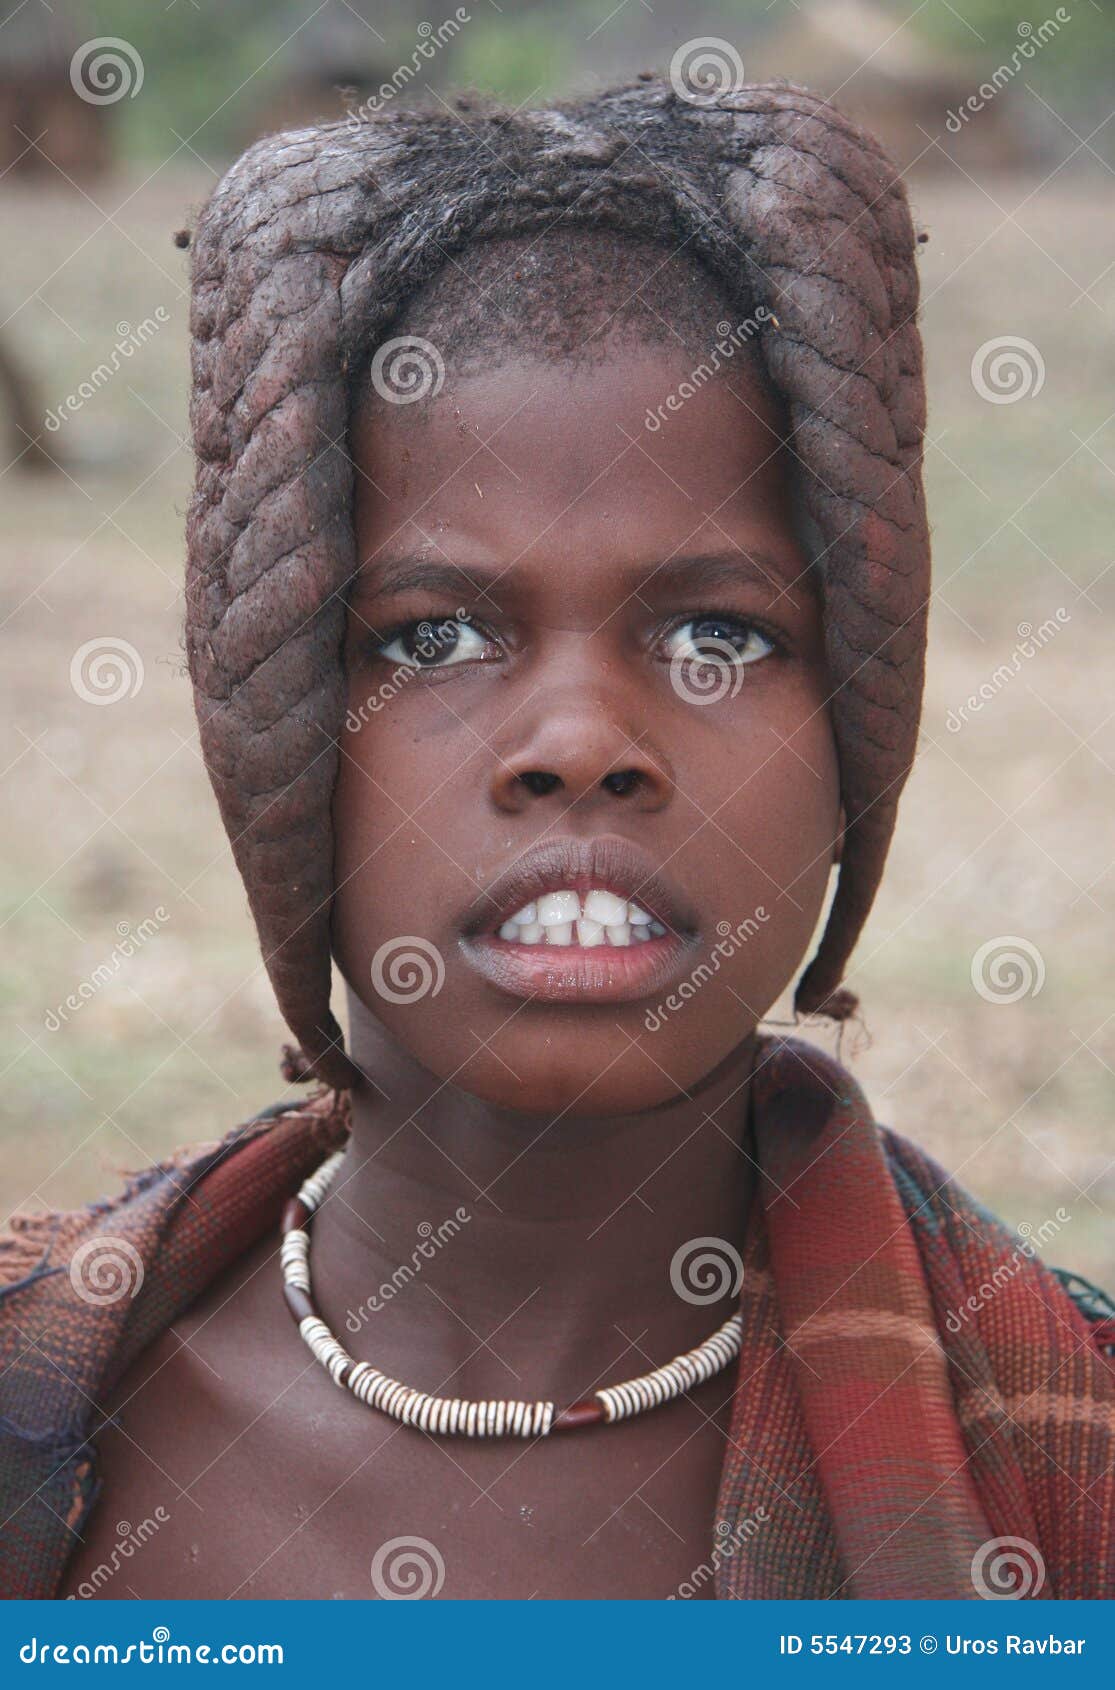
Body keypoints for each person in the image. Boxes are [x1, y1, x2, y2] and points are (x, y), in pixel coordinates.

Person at [2, 78, 1113, 1602]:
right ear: (267, 724)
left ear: (864, 721)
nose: (582, 741)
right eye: (434, 634)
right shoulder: (55, 1426)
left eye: (719, 631)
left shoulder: (1070, 1478)